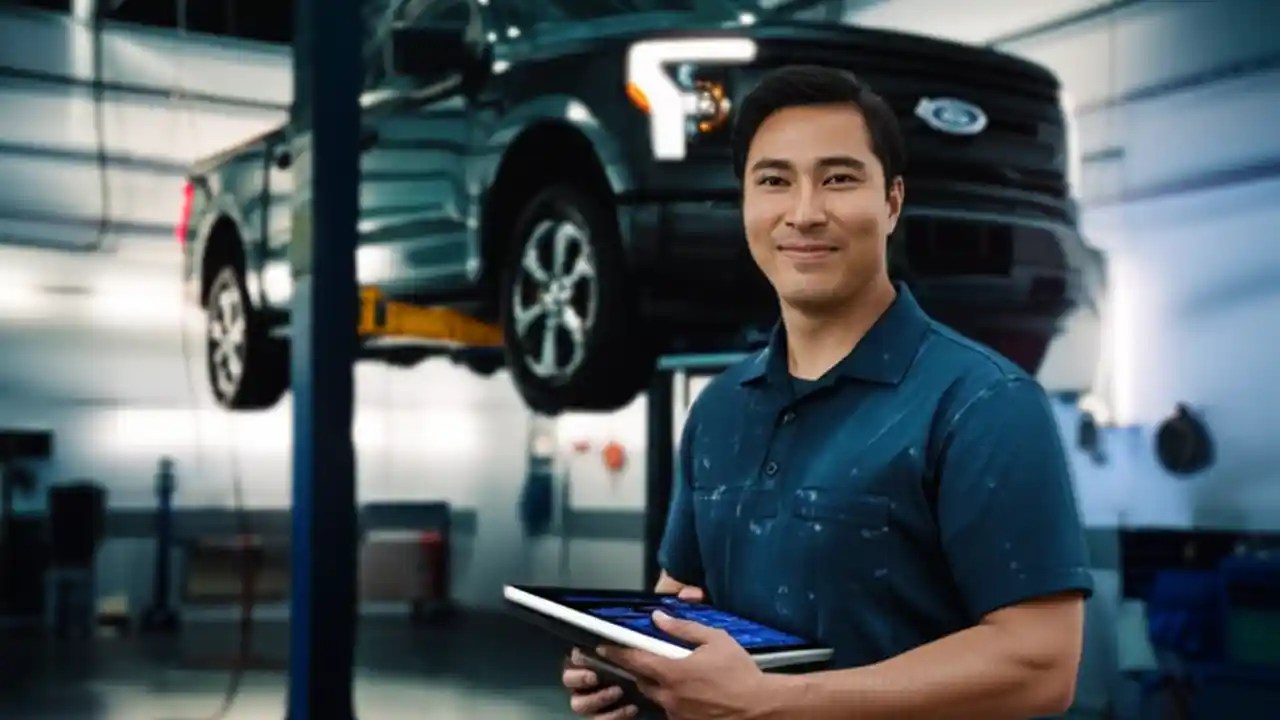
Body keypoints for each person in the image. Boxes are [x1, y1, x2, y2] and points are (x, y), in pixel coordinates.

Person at [561, 64, 1094, 720]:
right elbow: (681, 598)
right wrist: (634, 670)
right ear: (745, 203)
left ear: (892, 201)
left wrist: (771, 704)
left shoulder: (983, 404)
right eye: (774, 181)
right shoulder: (719, 409)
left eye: (839, 178)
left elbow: (1039, 664)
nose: (805, 212)